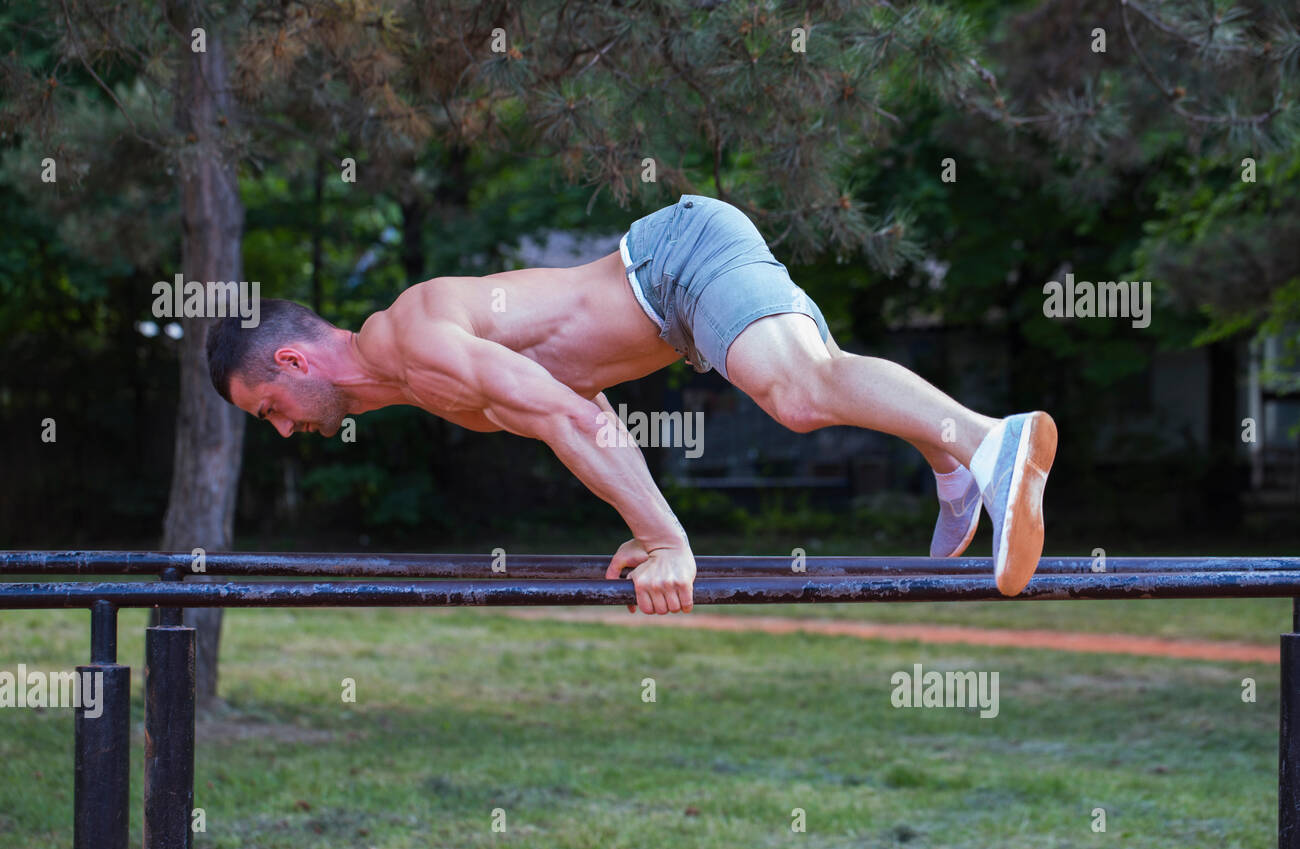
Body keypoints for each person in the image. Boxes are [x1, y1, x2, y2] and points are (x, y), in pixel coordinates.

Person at [206, 194, 1056, 613]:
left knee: (798, 393)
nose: (286, 429)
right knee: (814, 376)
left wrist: (667, 539)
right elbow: (584, 412)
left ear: (290, 358)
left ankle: (992, 442)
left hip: (677, 264)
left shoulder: (411, 338)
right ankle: (947, 460)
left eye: (270, 407)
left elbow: (570, 417)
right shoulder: (413, 383)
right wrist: (649, 526)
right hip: (679, 304)